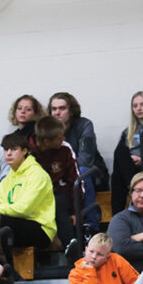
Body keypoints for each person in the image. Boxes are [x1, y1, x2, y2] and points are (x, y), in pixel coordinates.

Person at [0, 133, 57, 249]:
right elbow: (1, 209)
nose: (9, 153)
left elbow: (24, 210)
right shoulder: (6, 180)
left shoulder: (37, 174)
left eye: (14, 149)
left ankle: (5, 265)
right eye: (6, 149)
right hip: (16, 224)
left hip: (41, 228)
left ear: (24, 151)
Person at [49, 92, 102, 228]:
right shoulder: (48, 131)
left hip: (91, 173)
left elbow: (85, 159)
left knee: (82, 173)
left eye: (62, 108)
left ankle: (91, 226)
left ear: (71, 110)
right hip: (61, 177)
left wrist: (64, 174)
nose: (57, 113)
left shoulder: (84, 125)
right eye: (54, 109)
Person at [30, 116, 79, 244]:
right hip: (34, 196)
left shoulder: (64, 149)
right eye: (59, 138)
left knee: (58, 203)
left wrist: (75, 211)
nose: (63, 139)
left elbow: (75, 180)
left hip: (58, 193)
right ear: (46, 141)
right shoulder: (27, 152)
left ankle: (71, 246)